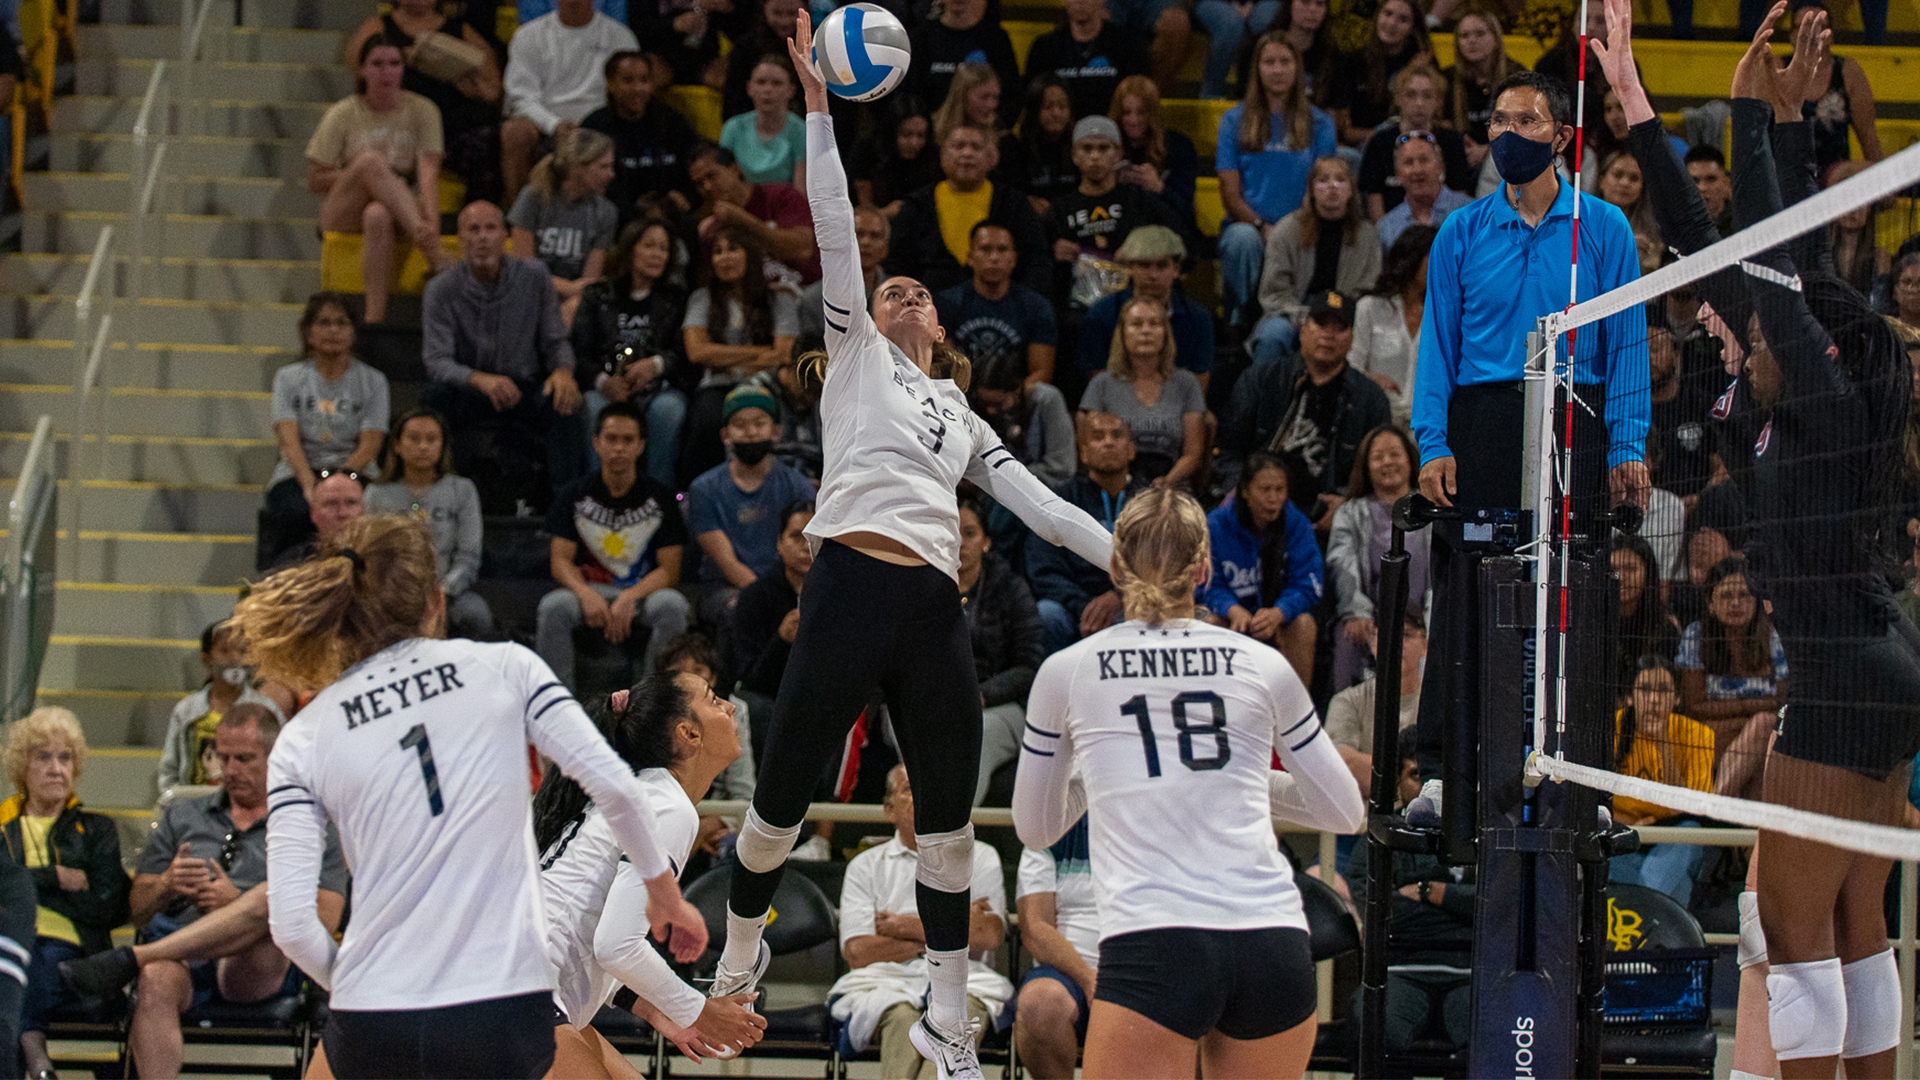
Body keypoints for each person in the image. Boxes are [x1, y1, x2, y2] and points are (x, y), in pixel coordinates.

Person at [707, 20, 1116, 1078]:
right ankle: (739, 960)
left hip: (934, 608)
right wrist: (815, 104)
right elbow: (837, 226)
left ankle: (944, 1022)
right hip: (845, 585)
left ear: (937, 329)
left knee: (948, 829)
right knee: (778, 805)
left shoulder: (965, 419)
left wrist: (1124, 561)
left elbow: (1040, 504)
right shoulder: (852, 360)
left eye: (915, 295)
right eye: (893, 290)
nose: (903, 295)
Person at [236, 514, 705, 1079]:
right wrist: (665, 895)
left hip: (375, 1007)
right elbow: (614, 788)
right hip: (496, 1001)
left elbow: (291, 926)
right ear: (437, 600)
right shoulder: (503, 666)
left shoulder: (303, 735)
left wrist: (357, 985)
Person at [1013, 487, 1366, 1079]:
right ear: (1203, 571)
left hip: (1156, 942)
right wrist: (1248, 782)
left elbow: (1035, 826)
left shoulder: (1067, 669)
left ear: (1116, 566)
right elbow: (1344, 811)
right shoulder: (1263, 662)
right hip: (1271, 940)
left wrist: (1096, 776)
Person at [1406, 68, 1649, 820]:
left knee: (1573, 594)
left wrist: (1626, 447)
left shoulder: (1602, 228)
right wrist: (1431, 441)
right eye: (1497, 122)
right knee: (1465, 590)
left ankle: (1581, 777)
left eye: (1525, 121)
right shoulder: (1461, 231)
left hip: (1574, 414)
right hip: (1480, 422)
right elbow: (1436, 345)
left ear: (1561, 137)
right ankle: (1446, 772)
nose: (1506, 134)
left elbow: (1628, 343)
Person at [533, 676, 768, 1075]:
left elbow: (588, 934)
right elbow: (615, 946)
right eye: (714, 700)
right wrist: (699, 1011)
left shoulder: (642, 794)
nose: (730, 707)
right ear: (689, 734)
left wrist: (663, 1014)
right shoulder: (669, 807)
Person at [130, 706, 347, 1080]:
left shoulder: (310, 823)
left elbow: (325, 920)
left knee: (270, 897)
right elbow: (136, 909)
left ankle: (132, 957)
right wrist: (166, 885)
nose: (229, 771)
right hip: (183, 959)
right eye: (222, 757)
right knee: (155, 979)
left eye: (244, 759)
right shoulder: (181, 815)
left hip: (256, 965)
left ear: (275, 756)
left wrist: (234, 906)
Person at [827, 765, 1013, 1076]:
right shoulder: (865, 866)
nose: (924, 797)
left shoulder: (981, 856)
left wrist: (903, 926)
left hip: (967, 981)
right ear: (889, 810)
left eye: (931, 788)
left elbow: (990, 935)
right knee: (901, 1020)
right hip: (886, 982)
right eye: (910, 790)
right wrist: (952, 930)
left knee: (954, 1027)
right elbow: (859, 952)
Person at [422, 200, 588, 509]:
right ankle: (441, 498)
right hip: (470, 387)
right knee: (435, 397)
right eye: (473, 230)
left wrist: (564, 370)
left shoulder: (534, 276)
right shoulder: (440, 290)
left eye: (490, 228)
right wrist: (479, 379)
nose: (482, 237)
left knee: (565, 401)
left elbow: (555, 340)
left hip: (523, 385)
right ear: (460, 240)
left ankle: (566, 507)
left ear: (504, 237)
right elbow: (436, 360)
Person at [1, 709, 129, 1080]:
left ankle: (29, 1056)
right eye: (43, 757)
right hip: (13, 941)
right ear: (22, 768)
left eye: (65, 758)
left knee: (30, 964)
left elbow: (105, 906)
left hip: (76, 953)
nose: (56, 768)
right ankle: (37, 1059)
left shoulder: (98, 831)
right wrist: (53, 878)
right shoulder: (2, 831)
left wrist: (23, 894)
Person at [538, 401, 691, 688]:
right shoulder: (574, 495)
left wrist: (631, 595)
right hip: (591, 590)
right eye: (611, 439)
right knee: (553, 606)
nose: (619, 448)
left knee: (673, 604)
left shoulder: (660, 498)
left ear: (641, 446)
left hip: (643, 592)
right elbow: (560, 561)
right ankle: (557, 706)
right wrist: (584, 592)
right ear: (596, 443)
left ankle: (653, 704)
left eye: (627, 440)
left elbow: (670, 571)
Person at [305, 35, 447, 325]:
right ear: (363, 71)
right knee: (370, 160)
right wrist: (365, 172)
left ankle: (374, 321)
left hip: (397, 206)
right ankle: (436, 257)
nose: (386, 71)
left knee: (377, 214)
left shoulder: (423, 110)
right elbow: (316, 180)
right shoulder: (343, 113)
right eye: (377, 64)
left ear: (403, 69)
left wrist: (432, 225)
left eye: (394, 63)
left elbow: (428, 175)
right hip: (344, 207)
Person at [1224, 290, 1393, 522]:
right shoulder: (1261, 380)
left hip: (1331, 517)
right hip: (1257, 508)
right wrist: (1245, 492)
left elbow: (1380, 474)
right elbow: (1226, 454)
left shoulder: (1371, 399)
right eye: (1321, 324)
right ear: (1303, 330)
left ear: (1352, 339)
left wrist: (1348, 504)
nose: (1328, 335)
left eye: (1339, 328)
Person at [259, 294, 389, 571]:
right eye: (324, 323)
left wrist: (340, 483)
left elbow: (370, 444)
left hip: (355, 472)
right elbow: (288, 438)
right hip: (300, 473)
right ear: (308, 331)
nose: (333, 330)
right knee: (296, 510)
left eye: (341, 323)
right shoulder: (288, 378)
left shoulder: (373, 381)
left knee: (368, 510)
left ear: (353, 332)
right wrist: (310, 485)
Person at [1217, 33, 1338, 330]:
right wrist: (1262, 227)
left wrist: (1287, 230)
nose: (1278, 69)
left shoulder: (1321, 123)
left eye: (1285, 62)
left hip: (1304, 225)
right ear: (1257, 68)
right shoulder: (1233, 121)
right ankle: (1242, 320)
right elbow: (1230, 195)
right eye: (1269, 62)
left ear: (1297, 68)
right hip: (1252, 226)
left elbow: (1323, 187)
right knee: (1241, 240)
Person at [343, 0, 505, 207]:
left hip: (451, 126)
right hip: (399, 122)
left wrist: (466, 78)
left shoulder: (460, 29)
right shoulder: (379, 27)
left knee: (486, 141)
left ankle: (476, 215)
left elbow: (492, 89)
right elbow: (359, 69)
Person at [571, 215, 692, 490]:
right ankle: (599, 492)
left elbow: (683, 352)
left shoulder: (677, 297)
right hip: (606, 388)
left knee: (669, 409)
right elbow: (580, 353)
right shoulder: (596, 295)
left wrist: (656, 365)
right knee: (592, 407)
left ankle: (658, 495)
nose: (657, 254)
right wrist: (604, 382)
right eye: (649, 245)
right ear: (629, 248)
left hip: (658, 389)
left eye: (663, 249)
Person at [686, 385, 816, 628]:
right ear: (725, 435)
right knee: (743, 610)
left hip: (789, 586)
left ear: (776, 431)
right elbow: (727, 563)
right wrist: (769, 601)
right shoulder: (704, 489)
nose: (751, 432)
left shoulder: (798, 487)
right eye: (740, 425)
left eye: (759, 423)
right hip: (725, 589)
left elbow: (807, 550)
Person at [681, 223, 800, 480]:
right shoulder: (702, 299)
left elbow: (784, 353)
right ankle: (695, 492)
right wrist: (760, 352)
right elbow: (697, 352)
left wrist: (723, 356)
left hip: (766, 385)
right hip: (717, 385)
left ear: (751, 255)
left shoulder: (780, 301)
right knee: (709, 421)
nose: (724, 258)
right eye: (717, 252)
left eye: (733, 249)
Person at [365, 409, 492, 640]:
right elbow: (370, 555)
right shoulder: (376, 494)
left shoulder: (462, 491)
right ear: (397, 445)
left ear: (443, 446)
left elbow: (468, 557)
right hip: (392, 593)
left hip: (448, 592)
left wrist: (442, 591)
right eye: (414, 439)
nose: (423, 446)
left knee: (476, 614)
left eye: (432, 439)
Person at [1027, 412, 1146, 654]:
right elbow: (1044, 569)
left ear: (1131, 450)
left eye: (1117, 435)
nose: (1108, 442)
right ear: (1083, 453)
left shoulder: (1151, 503)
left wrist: (1120, 597)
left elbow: (1164, 565)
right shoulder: (1059, 501)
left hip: (1135, 603)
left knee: (1147, 616)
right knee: (1046, 614)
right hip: (1074, 607)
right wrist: (1085, 606)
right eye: (1097, 437)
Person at [500, 0, 639, 207]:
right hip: (547, 128)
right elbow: (520, 96)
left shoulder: (620, 36)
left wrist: (592, 125)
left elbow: (628, 90)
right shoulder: (528, 35)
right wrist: (554, 125)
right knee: (514, 132)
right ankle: (522, 220)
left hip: (603, 126)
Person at [954, 499, 1046, 805]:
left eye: (969, 533)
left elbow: (1029, 664)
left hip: (998, 707)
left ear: (986, 542)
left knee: (975, 734)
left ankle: (951, 834)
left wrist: (982, 696)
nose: (959, 543)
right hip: (930, 701)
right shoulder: (918, 587)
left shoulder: (1011, 588)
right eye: (950, 532)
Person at [1606, 655, 1717, 908]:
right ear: (1631, 696)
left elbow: (1690, 808)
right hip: (1624, 832)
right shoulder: (1610, 730)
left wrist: (1662, 744)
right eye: (1645, 689)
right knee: (1678, 886)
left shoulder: (1699, 736)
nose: (1654, 700)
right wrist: (1633, 823)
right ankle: (1662, 936)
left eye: (1664, 690)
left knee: (1688, 834)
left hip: (1673, 833)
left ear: (1677, 698)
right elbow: (1591, 799)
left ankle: (1641, 915)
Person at [1202, 452, 1323, 683]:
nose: (1273, 498)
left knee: (1304, 624)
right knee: (1208, 621)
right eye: (1265, 489)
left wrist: (1280, 611)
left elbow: (1308, 583)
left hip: (1278, 621)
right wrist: (1231, 609)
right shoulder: (1215, 526)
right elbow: (1206, 583)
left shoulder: (1297, 524)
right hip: (1233, 621)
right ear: (1245, 491)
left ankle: (1296, 713)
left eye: (1280, 490)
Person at [890, 125, 1052, 296]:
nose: (967, 153)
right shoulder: (917, 205)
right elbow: (897, 263)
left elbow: (1037, 259)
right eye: (958, 146)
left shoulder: (1013, 203)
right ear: (942, 155)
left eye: (976, 147)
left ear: (991, 157)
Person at [1326, 425, 1429, 692]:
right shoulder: (1350, 513)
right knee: (1349, 634)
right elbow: (1342, 565)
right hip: (1368, 621)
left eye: (1394, 454)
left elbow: (1441, 574)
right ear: (1366, 466)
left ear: (1409, 458)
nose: (1387, 462)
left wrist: (1429, 620)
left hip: (1422, 619)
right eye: (1378, 457)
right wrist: (1356, 612)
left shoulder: (1430, 512)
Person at [1251, 155, 1381, 362]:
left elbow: (1369, 291)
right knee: (1272, 336)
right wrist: (1306, 318)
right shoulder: (1286, 230)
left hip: (1344, 314)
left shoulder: (1367, 235)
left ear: (1351, 190)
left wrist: (1336, 317)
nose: (1332, 186)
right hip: (1293, 311)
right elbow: (1274, 293)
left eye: (1340, 180)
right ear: (1311, 190)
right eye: (1323, 180)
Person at [1676, 557, 1782, 803]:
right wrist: (1749, 715)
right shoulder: (1696, 636)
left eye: (1744, 595)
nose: (1736, 603)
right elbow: (1693, 708)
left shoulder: (1773, 638)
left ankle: (1715, 811)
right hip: (1707, 736)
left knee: (1764, 729)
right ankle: (1729, 825)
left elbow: (1784, 702)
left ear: (1756, 601)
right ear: (1710, 603)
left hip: (1761, 737)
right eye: (1726, 596)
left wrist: (1751, 723)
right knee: (1761, 726)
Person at [1079, 297, 1206, 490]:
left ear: (1165, 333)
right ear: (1122, 333)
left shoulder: (1186, 383)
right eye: (1137, 324)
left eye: (1154, 324)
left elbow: (1192, 454)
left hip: (1172, 487)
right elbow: (1092, 448)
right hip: (1117, 487)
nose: (1146, 331)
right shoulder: (1102, 384)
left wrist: (1167, 482)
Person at [1049, 116, 1182, 290]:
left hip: (1136, 301)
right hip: (1074, 306)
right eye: (1087, 148)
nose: (1095, 156)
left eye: (1104, 148)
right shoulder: (1059, 209)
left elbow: (1183, 242)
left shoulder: (1140, 201)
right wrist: (1052, 252)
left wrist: (1142, 248)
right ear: (1074, 155)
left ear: (1118, 154)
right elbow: (1032, 259)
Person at [1079, 226, 1214, 398]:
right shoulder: (1101, 314)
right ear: (1129, 267)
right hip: (1119, 408)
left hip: (1177, 409)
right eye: (1144, 265)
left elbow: (1197, 389)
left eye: (1162, 265)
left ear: (1176, 269)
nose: (1153, 275)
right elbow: (1099, 384)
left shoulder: (1198, 319)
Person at [1011, 815, 1098, 1080]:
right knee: (1039, 1003)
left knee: (1203, 990)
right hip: (1070, 977)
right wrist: (1089, 979)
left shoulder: (1155, 825)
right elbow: (1035, 929)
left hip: (1145, 970)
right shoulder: (1048, 835)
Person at [159, 621, 291, 791]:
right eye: (224, 651)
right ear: (206, 659)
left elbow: (283, 760)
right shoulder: (186, 711)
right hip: (195, 806)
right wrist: (177, 803)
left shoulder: (266, 708)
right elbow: (169, 769)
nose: (235, 659)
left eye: (243, 651)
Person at [509, 127, 619, 327]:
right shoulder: (533, 198)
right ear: (578, 166)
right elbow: (524, 271)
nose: (611, 175)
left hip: (571, 301)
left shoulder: (606, 212)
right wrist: (568, 287)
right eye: (603, 167)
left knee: (577, 306)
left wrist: (571, 293)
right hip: (530, 293)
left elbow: (589, 282)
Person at [728, 500, 815, 754]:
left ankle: (833, 795)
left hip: (818, 693)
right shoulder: (755, 597)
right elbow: (748, 679)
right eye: (797, 536)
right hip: (767, 695)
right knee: (762, 709)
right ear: (779, 543)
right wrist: (781, 640)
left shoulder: (839, 597)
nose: (806, 546)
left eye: (814, 537)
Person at [936, 221, 1059, 395]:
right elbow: (944, 368)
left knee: (1048, 395)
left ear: (1013, 259)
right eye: (986, 249)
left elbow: (1042, 373)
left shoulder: (1037, 306)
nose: (994, 258)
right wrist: (974, 397)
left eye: (1002, 250)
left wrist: (1009, 396)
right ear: (970, 257)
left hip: (1017, 395)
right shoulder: (946, 303)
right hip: (962, 396)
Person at [687, 143, 820, 291]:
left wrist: (743, 220)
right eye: (699, 183)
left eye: (711, 176)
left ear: (734, 168)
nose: (707, 187)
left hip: (810, 291)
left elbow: (803, 249)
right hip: (760, 304)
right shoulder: (711, 228)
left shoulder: (781, 195)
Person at [582, 51, 701, 217]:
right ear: (610, 84)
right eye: (628, 80)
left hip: (670, 218)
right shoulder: (595, 127)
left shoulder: (672, 122)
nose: (638, 89)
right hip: (616, 221)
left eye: (644, 80)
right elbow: (589, 185)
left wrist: (685, 196)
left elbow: (696, 166)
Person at [1325, 613, 1427, 790]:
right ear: (1373, 642)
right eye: (1388, 634)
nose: (1397, 643)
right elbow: (1338, 763)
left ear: (1425, 645)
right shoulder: (1348, 701)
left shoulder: (1437, 704)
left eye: (1407, 635)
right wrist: (1409, 774)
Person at [1357, 64, 1472, 218]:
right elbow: (1375, 209)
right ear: (1398, 98)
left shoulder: (1452, 142)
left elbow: (1458, 203)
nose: (1419, 103)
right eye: (1411, 95)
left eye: (1427, 95)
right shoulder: (1379, 143)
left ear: (1438, 101)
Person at [1350, 225, 1435, 424]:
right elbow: (1350, 368)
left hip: (1428, 429)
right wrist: (1370, 380)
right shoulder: (1369, 308)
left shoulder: (1449, 316)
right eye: (1434, 258)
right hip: (1377, 421)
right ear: (1410, 261)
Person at [1786, 0, 1882, 173]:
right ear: (1792, 35)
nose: (1813, 34)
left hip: (1835, 177)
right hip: (1787, 174)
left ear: (1831, 35)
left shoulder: (1848, 71)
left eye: (1819, 27)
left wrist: (1884, 186)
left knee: (1850, 172)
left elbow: (1868, 137)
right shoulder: (1776, 70)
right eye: (1805, 27)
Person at [1326, 0, 1433, 148]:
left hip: (1413, 143)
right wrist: (1379, 134)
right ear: (1377, 16)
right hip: (1364, 146)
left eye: (1403, 19)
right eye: (1387, 14)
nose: (1392, 23)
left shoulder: (1422, 64)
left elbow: (1435, 122)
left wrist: (1413, 73)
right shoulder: (1352, 62)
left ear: (1413, 28)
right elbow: (1344, 131)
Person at [966, 352, 1076, 492]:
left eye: (998, 404)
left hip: (1037, 491)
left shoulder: (1047, 401)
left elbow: (1062, 467)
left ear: (1018, 390)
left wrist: (995, 477)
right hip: (983, 492)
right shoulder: (973, 406)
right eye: (984, 403)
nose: (990, 411)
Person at [1025, 0, 1148, 121]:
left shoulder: (1129, 46)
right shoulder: (1044, 48)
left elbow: (1141, 100)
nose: (1080, 2)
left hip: (1114, 134)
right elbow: (1034, 105)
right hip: (1061, 136)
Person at [907, 0, 1022, 130]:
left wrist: (992, 131)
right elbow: (911, 95)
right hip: (932, 135)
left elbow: (1011, 95)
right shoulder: (920, 39)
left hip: (983, 136)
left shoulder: (996, 39)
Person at [1109, 77, 1200, 239]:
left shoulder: (1179, 146)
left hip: (1168, 232)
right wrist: (1110, 182)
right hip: (1118, 233)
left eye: (1141, 112)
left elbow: (1186, 208)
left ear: (1152, 113)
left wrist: (1158, 187)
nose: (1133, 120)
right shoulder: (1106, 147)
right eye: (1126, 113)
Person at [802, 208, 891, 343]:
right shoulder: (815, 298)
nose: (866, 242)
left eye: (875, 236)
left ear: (885, 249)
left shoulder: (901, 297)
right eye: (858, 234)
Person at [1440, 11, 1517, 163]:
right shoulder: (1446, 79)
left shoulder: (1516, 77)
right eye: (1464, 36)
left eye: (1480, 34)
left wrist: (1487, 151)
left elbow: (1526, 129)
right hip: (1459, 159)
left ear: (1495, 38)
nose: (1472, 41)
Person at [1374, 135, 1471, 254]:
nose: (1417, 170)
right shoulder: (1386, 227)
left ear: (1441, 168)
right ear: (1398, 174)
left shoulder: (1471, 212)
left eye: (1424, 160)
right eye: (1409, 162)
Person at [719, 56, 806, 187]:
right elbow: (725, 182)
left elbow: (801, 192)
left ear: (791, 90)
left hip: (787, 205)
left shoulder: (801, 131)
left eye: (777, 83)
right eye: (761, 82)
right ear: (749, 88)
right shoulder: (733, 128)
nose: (767, 90)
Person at [851, 95, 943, 218]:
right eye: (906, 135)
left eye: (921, 135)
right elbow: (864, 212)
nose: (914, 143)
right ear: (892, 132)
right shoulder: (868, 151)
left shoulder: (933, 157)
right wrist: (886, 213)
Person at [1611, 533, 1680, 696]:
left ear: (1647, 574)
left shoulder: (1664, 629)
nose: (1620, 578)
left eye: (1630, 569)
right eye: (1613, 570)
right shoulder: (1590, 623)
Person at [999, 79, 1079, 218]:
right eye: (1047, 107)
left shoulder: (1080, 145)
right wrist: (1025, 201)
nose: (1056, 113)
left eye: (1062, 107)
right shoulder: (1012, 146)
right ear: (1033, 110)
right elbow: (1005, 192)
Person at [268, 469, 368, 570]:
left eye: (351, 503)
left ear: (363, 510)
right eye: (332, 503)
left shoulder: (379, 560)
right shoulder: (291, 564)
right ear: (313, 512)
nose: (343, 513)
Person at [720, 0, 801, 122]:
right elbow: (732, 102)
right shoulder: (745, 48)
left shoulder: (816, 46)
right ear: (764, 9)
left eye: (792, 13)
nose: (785, 21)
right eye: (777, 13)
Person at [931, 64, 1006, 151]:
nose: (991, 105)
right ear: (962, 96)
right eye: (984, 97)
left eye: (995, 97)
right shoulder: (930, 135)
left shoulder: (1002, 140)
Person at [1683, 145, 1734, 237]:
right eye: (1694, 181)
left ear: (1727, 183)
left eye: (1711, 179)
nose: (1702, 188)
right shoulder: (1676, 231)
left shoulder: (1743, 226)